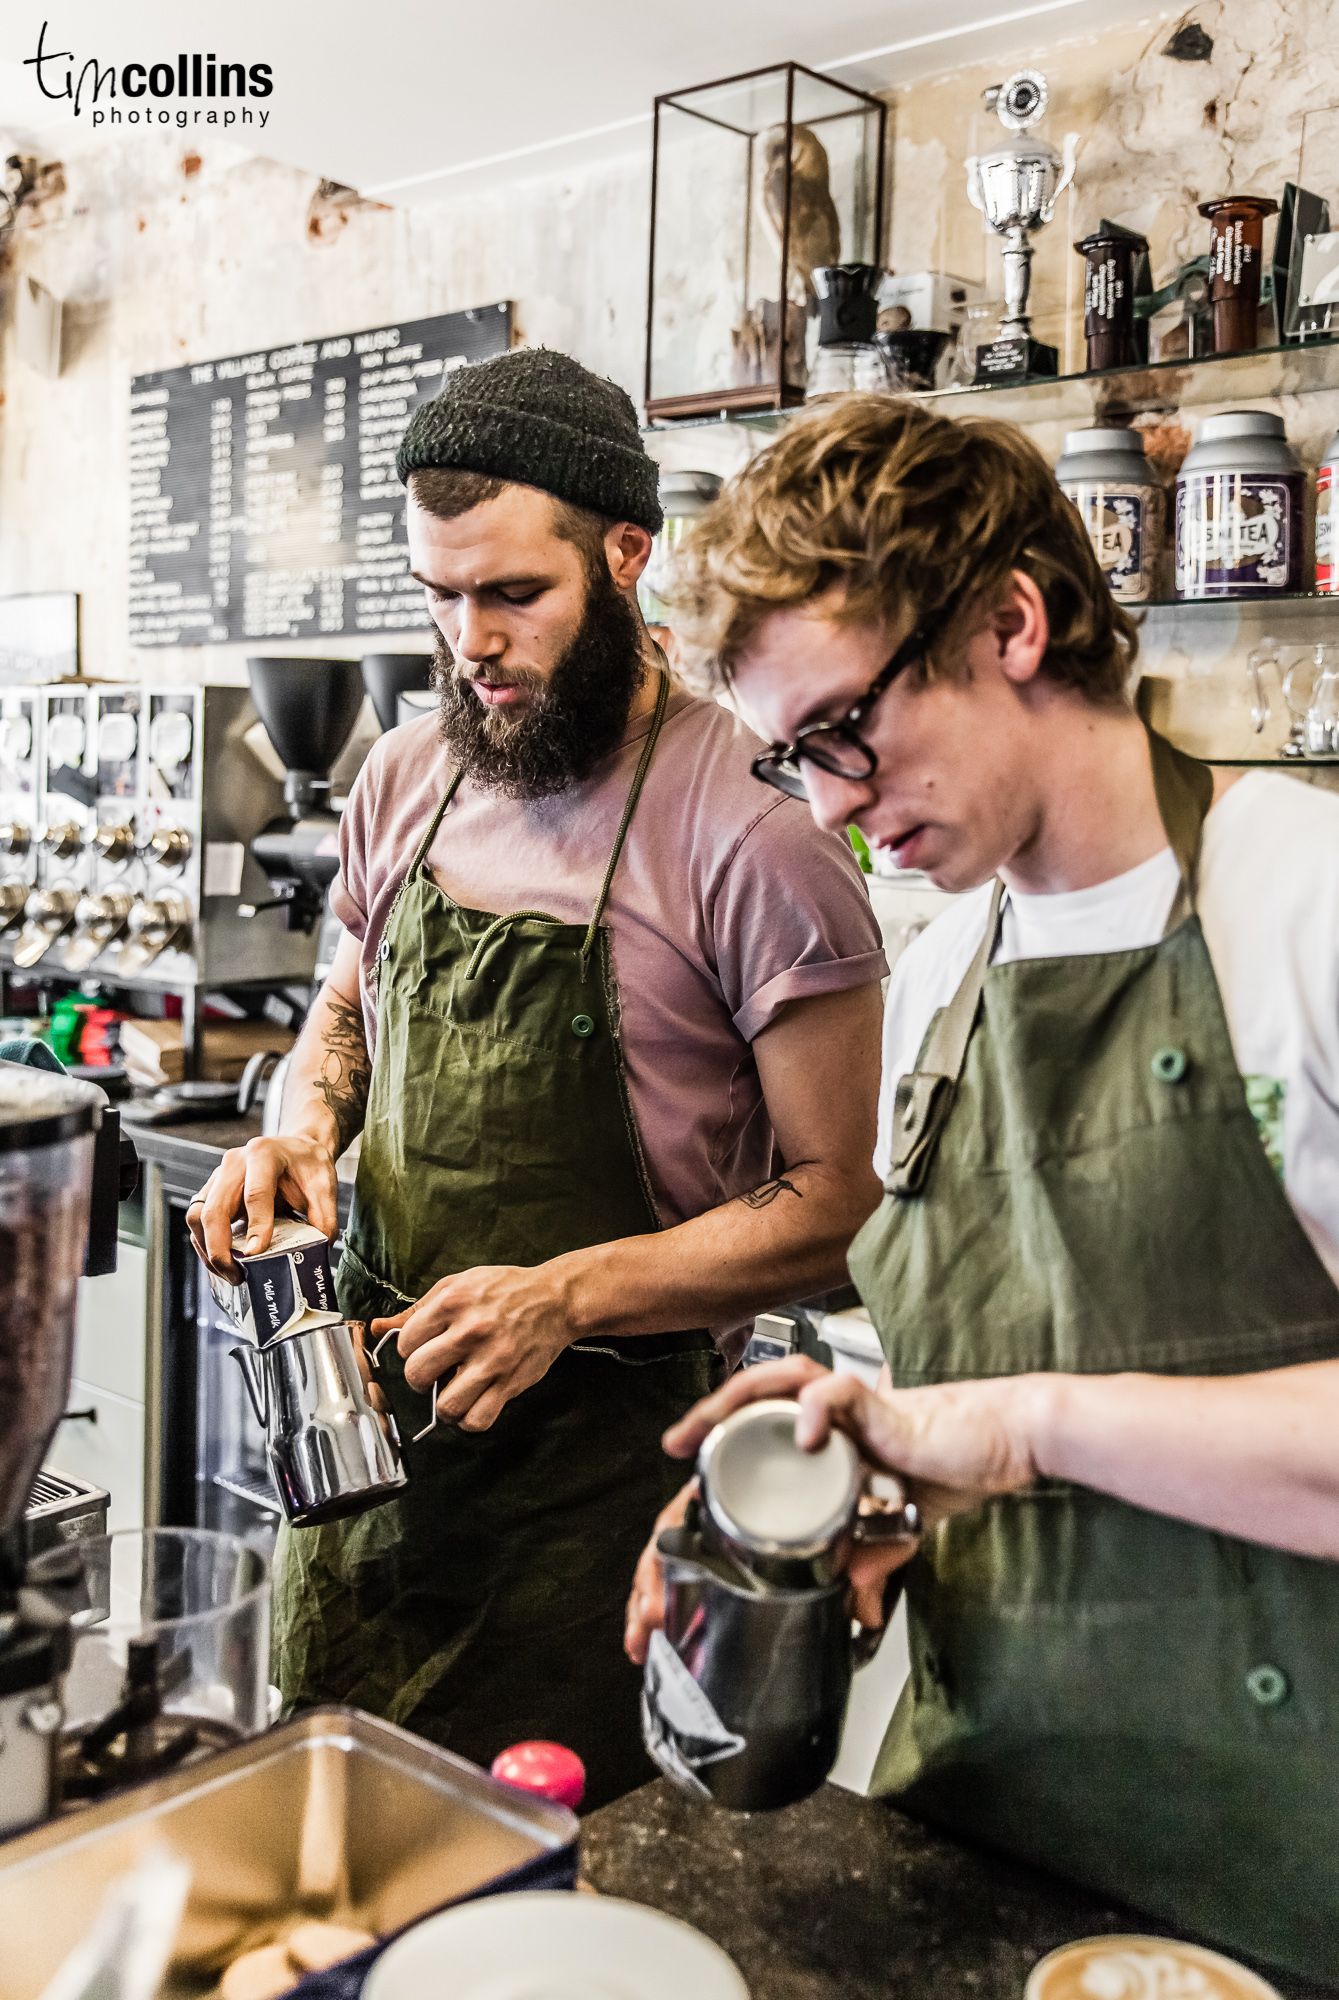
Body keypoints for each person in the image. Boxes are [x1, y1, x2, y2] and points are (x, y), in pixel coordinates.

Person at [624, 393, 1339, 1978]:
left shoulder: (1304, 902)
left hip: (1286, 1884)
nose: (826, 804)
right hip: (983, 1840)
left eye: (842, 729)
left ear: (1013, 623)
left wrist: (1020, 1426)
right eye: (789, 760)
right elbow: (1007, 1387)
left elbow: (1042, 1412)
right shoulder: (943, 981)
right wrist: (864, 1482)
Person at [188, 348, 887, 1807]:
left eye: (515, 594)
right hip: (373, 1475)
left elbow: (841, 1204)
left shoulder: (755, 830)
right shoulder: (406, 774)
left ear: (626, 554)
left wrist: (563, 1295)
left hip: (597, 1509)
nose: (473, 644)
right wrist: (302, 1126)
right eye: (440, 598)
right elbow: (342, 1009)